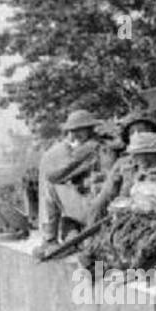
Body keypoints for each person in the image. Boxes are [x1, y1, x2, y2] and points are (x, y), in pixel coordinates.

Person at [37, 105, 103, 249]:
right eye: (73, 131)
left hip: (95, 210)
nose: (74, 134)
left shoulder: (88, 149)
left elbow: (56, 176)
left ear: (89, 129)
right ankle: (62, 233)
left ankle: (49, 238)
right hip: (97, 205)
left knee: (51, 186)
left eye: (79, 130)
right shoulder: (98, 145)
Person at [87, 111, 156, 222]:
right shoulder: (123, 163)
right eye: (133, 132)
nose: (138, 135)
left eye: (142, 130)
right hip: (127, 214)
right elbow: (105, 197)